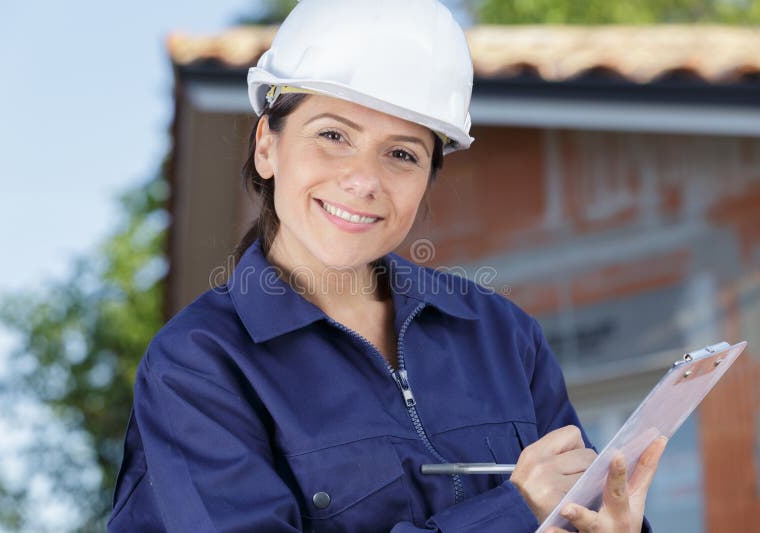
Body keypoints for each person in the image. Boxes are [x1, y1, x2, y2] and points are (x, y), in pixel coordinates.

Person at [108, 1, 666, 532]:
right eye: (333, 135)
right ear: (267, 146)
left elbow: (581, 506)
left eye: (401, 153)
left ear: (427, 178)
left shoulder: (501, 335)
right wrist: (514, 513)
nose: (364, 180)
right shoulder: (199, 368)